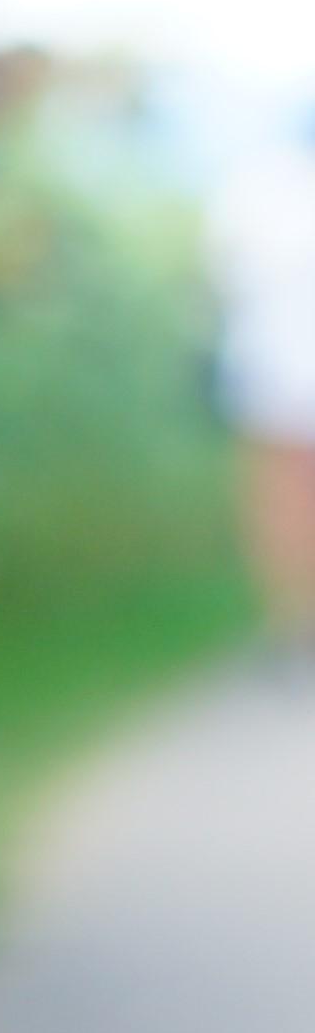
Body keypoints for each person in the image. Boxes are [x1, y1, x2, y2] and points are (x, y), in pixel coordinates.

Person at [201, 82, 315, 657]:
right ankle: (291, 620)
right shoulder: (263, 186)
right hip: (277, 363)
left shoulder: (254, 189)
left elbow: (223, 275)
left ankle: (288, 619)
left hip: (268, 365)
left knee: (278, 496)